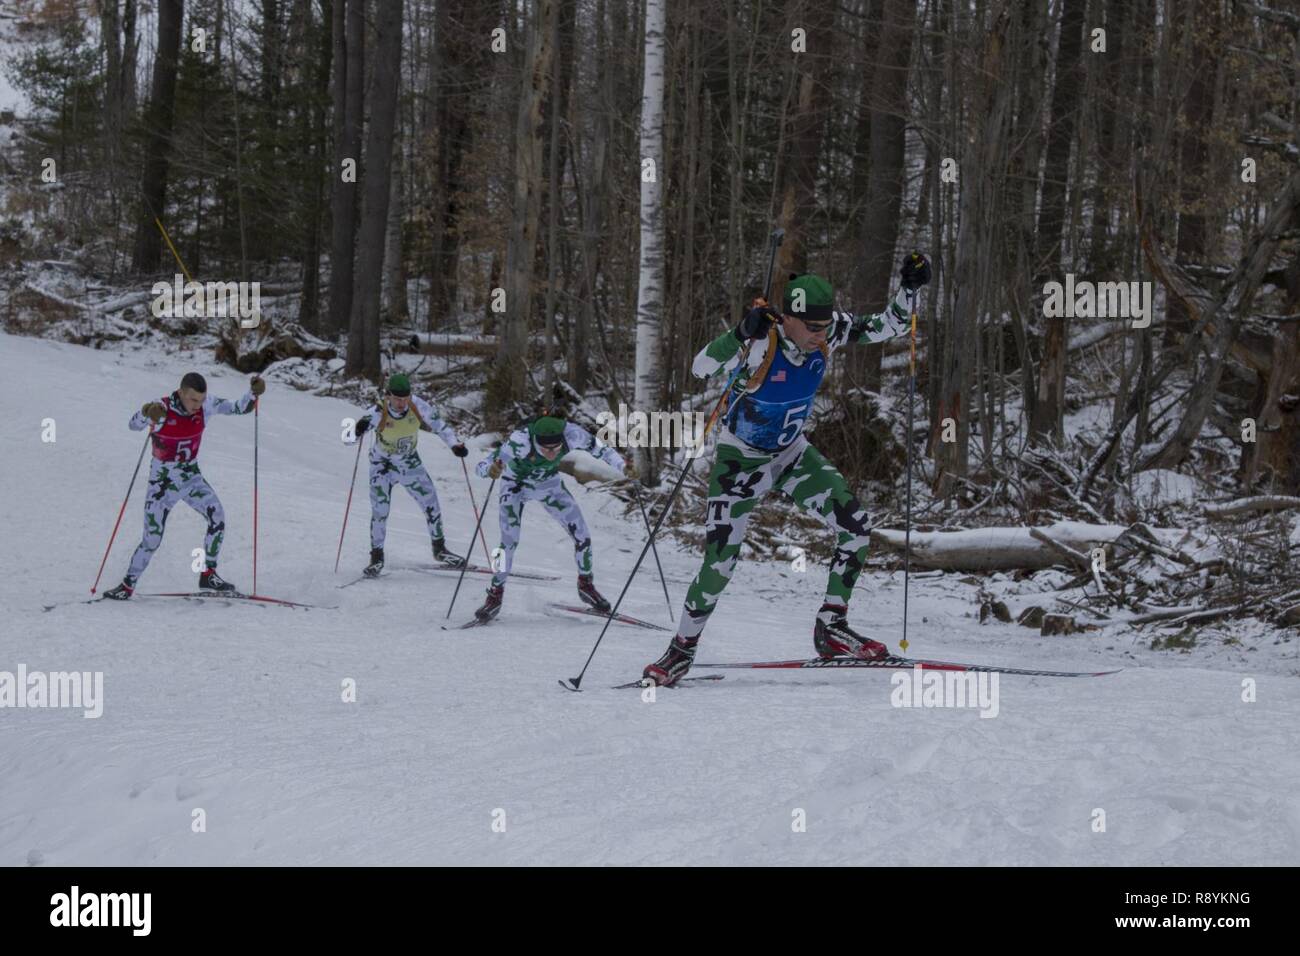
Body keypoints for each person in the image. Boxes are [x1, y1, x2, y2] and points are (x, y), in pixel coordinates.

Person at [642, 253, 932, 685]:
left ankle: (831, 626)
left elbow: (890, 325)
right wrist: (739, 332)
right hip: (741, 460)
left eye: (826, 326)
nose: (822, 335)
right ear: (789, 319)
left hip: (791, 454)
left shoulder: (827, 331)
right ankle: (680, 651)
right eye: (813, 327)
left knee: (855, 524)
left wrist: (911, 288)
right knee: (720, 561)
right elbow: (700, 367)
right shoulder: (761, 341)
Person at [104, 371, 264, 599]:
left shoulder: (206, 405)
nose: (197, 405)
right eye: (193, 400)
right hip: (162, 484)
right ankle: (127, 586)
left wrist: (253, 393)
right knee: (152, 539)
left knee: (217, 516)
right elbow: (133, 425)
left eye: (201, 400)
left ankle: (208, 574)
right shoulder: (162, 408)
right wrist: (145, 413)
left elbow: (239, 407)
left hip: (190, 478)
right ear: (181, 393)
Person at [472, 413, 632, 622]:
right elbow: (481, 466)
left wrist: (623, 467)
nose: (552, 453)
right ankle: (495, 594)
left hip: (549, 485)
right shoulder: (519, 442)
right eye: (546, 449)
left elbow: (602, 450)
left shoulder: (573, 434)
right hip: (515, 486)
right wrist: (490, 470)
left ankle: (586, 585)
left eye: (556, 449)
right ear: (536, 442)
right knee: (508, 543)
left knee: (582, 535)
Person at [353, 373, 469, 577]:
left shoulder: (418, 406)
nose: (401, 403)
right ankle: (377, 557)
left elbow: (440, 426)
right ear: (388, 396)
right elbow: (348, 438)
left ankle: (439, 549)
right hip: (382, 465)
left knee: (431, 503)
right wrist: (357, 430)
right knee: (380, 510)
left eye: (405, 398)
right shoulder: (377, 412)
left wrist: (455, 445)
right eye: (397, 399)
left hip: (409, 463)